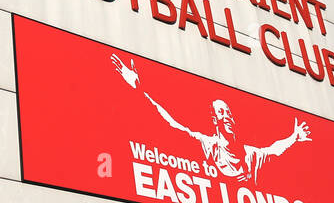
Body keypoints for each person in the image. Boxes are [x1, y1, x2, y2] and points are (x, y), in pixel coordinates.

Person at [111, 54, 310, 186]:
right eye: (222, 114)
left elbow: (274, 150)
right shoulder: (209, 147)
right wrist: (141, 92)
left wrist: (294, 137)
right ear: (215, 121)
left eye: (229, 113)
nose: (228, 118)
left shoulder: (250, 156)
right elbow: (173, 126)